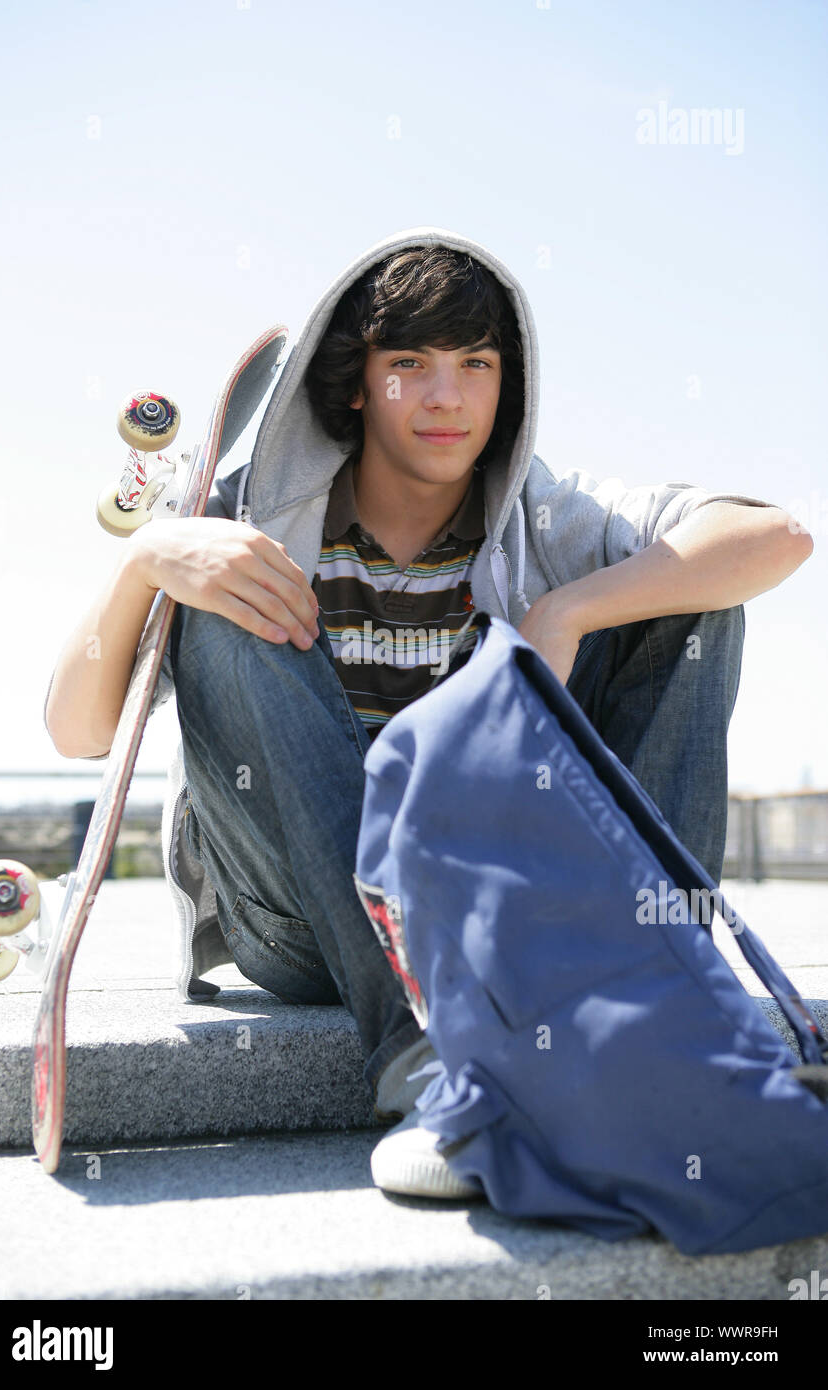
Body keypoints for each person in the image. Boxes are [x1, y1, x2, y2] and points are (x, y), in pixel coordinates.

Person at [44, 226, 813, 1198]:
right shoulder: (251, 513)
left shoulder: (539, 518)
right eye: (409, 363)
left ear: (506, 387)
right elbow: (76, 733)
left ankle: (645, 1018)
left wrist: (566, 609)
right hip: (296, 922)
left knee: (688, 602)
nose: (446, 395)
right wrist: (146, 557)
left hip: (493, 912)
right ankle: (439, 1065)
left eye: (475, 364)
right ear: (358, 382)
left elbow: (773, 535)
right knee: (234, 591)